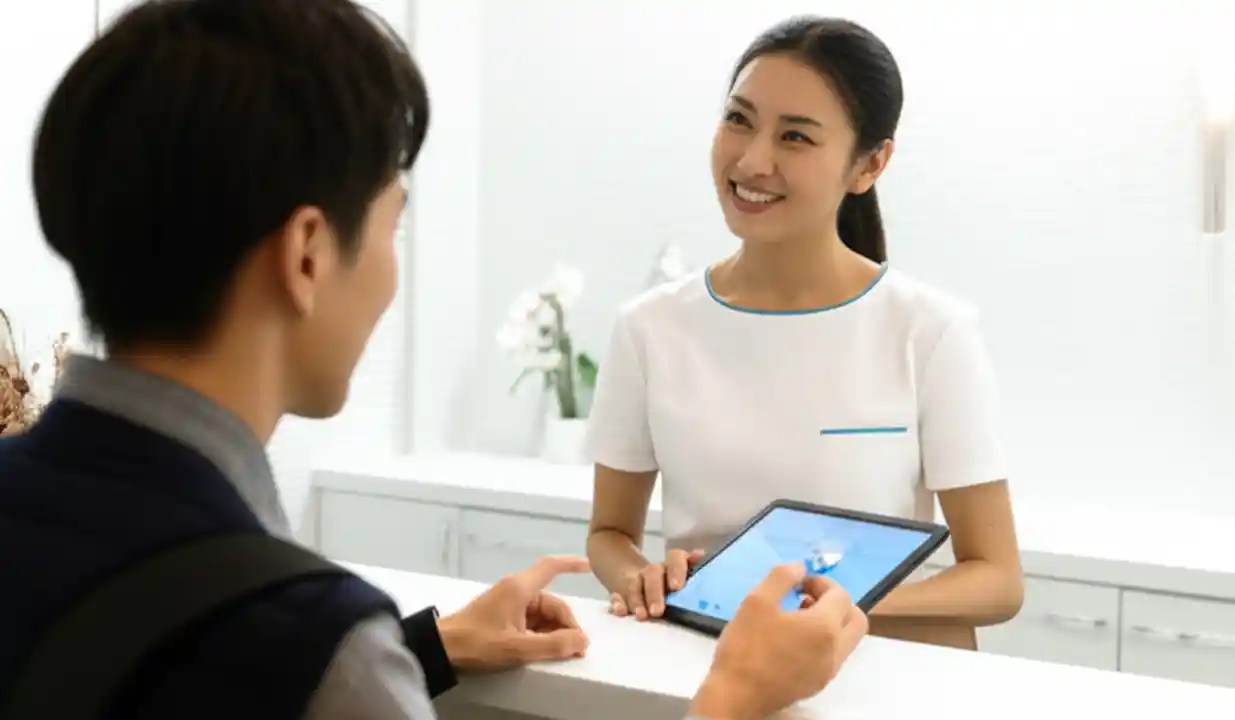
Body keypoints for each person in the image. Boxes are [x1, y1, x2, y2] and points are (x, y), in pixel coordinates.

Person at [0, 1, 868, 718]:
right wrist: (736, 699)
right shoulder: (319, 653)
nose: (390, 274)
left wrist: (425, 646)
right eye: (393, 224)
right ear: (307, 256)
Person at [585, 16, 1025, 650]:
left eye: (795, 136)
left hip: (874, 675)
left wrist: (841, 601)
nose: (752, 159)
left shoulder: (930, 332)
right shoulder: (649, 328)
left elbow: (998, 580)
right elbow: (609, 536)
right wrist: (642, 579)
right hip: (701, 666)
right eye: (739, 120)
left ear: (869, 164)